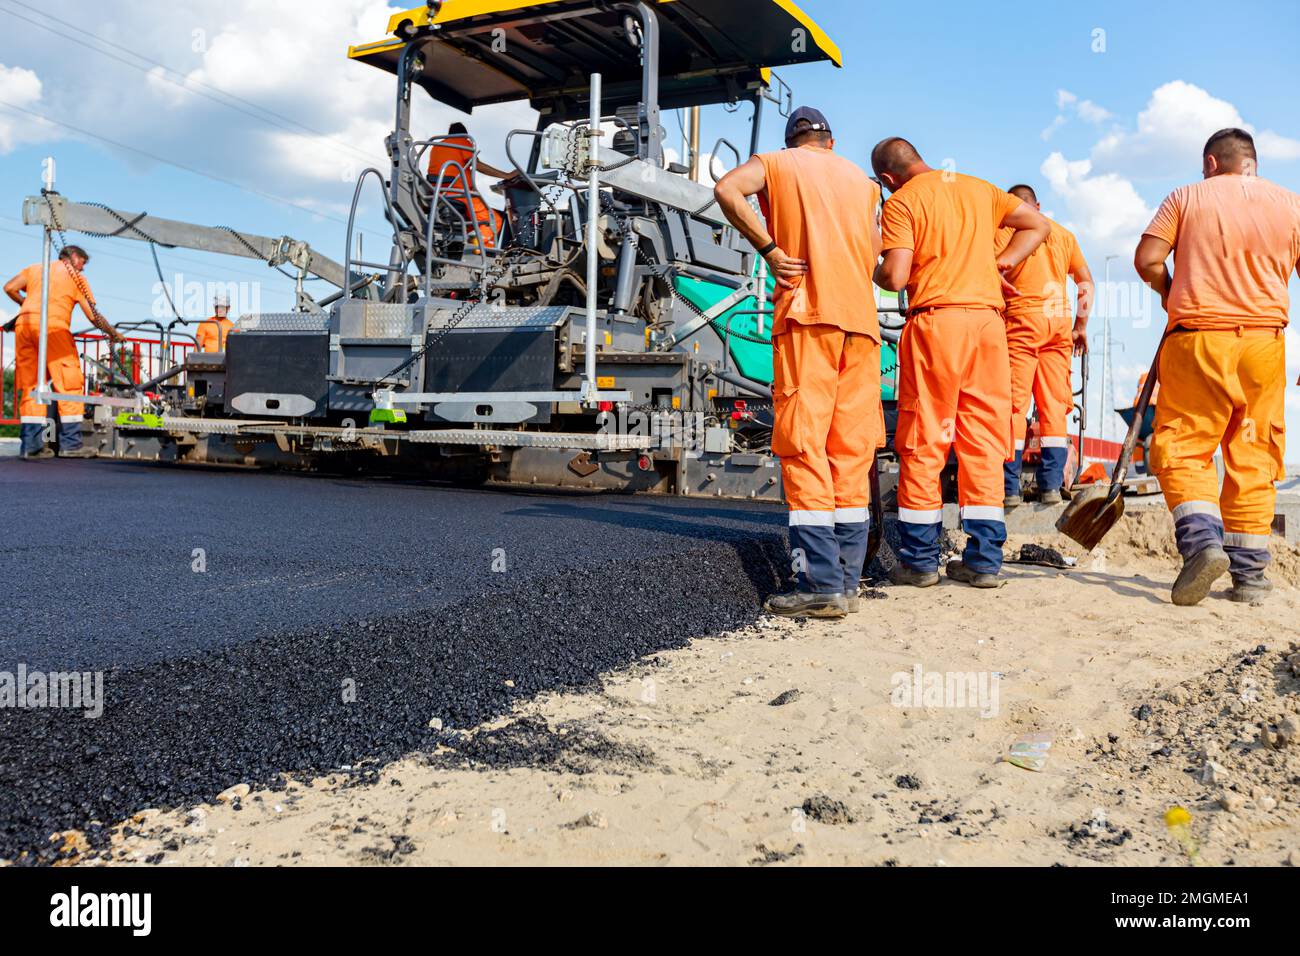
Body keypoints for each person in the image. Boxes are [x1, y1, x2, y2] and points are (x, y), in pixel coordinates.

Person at [714, 107, 883, 618]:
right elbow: (875, 257)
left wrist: (768, 248)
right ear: (831, 141)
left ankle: (819, 584)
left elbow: (726, 188)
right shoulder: (863, 182)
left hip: (810, 317)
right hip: (862, 327)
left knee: (804, 441)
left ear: (794, 140)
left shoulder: (778, 163)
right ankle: (848, 582)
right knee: (850, 449)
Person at [871, 137, 1049, 588]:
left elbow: (894, 275)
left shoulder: (903, 203)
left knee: (924, 439)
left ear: (887, 179)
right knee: (984, 441)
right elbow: (1038, 225)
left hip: (937, 323)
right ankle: (984, 562)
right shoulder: (978, 188)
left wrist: (872, 268)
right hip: (989, 326)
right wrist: (1001, 264)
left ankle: (919, 561)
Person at [1134, 127, 1300, 606]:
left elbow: (1147, 259)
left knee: (1184, 445)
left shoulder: (1187, 196)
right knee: (1254, 452)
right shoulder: (1290, 203)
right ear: (1253, 162)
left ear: (1211, 163)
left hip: (1198, 339)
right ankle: (1249, 577)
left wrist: (1169, 292)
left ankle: (1204, 545)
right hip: (1265, 345)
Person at [997, 184, 1094, 505]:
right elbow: (1085, 283)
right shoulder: (1063, 234)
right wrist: (1080, 326)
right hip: (1059, 324)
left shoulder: (1004, 232)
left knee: (1013, 406)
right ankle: (1051, 486)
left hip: (1021, 322)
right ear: (1037, 204)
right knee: (1054, 406)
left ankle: (1008, 489)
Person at [4, 245, 123, 459]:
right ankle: (71, 444)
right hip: (53, 329)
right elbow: (93, 315)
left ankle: (31, 447)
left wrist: (28, 306)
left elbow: (9, 287)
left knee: (32, 385)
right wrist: (113, 333)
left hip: (25, 326)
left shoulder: (35, 268)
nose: (83, 269)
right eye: (83, 263)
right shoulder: (74, 276)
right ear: (74, 257)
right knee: (69, 383)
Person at [426, 122, 510, 251]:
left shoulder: (437, 146)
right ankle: (479, 255)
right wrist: (507, 175)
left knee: (471, 225)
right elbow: (479, 165)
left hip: (438, 196)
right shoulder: (463, 142)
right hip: (459, 194)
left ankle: (459, 250)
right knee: (494, 220)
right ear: (464, 135)